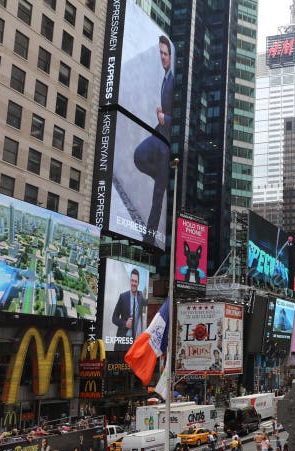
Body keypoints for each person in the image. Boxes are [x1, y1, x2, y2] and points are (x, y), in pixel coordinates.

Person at [134, 35, 174, 246]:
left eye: (165, 53)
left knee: (158, 195)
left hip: (166, 141)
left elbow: (178, 117)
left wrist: (164, 118)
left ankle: (149, 237)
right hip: (159, 135)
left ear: (171, 56)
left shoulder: (173, 79)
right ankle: (162, 177)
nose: (162, 57)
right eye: (160, 52)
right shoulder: (165, 77)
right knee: (139, 155)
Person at [111, 268, 146, 340]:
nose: (134, 283)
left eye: (135, 281)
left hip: (136, 340)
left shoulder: (140, 296)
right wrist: (125, 324)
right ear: (130, 281)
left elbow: (147, 302)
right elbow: (114, 318)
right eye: (132, 281)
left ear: (138, 283)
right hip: (124, 339)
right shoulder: (123, 297)